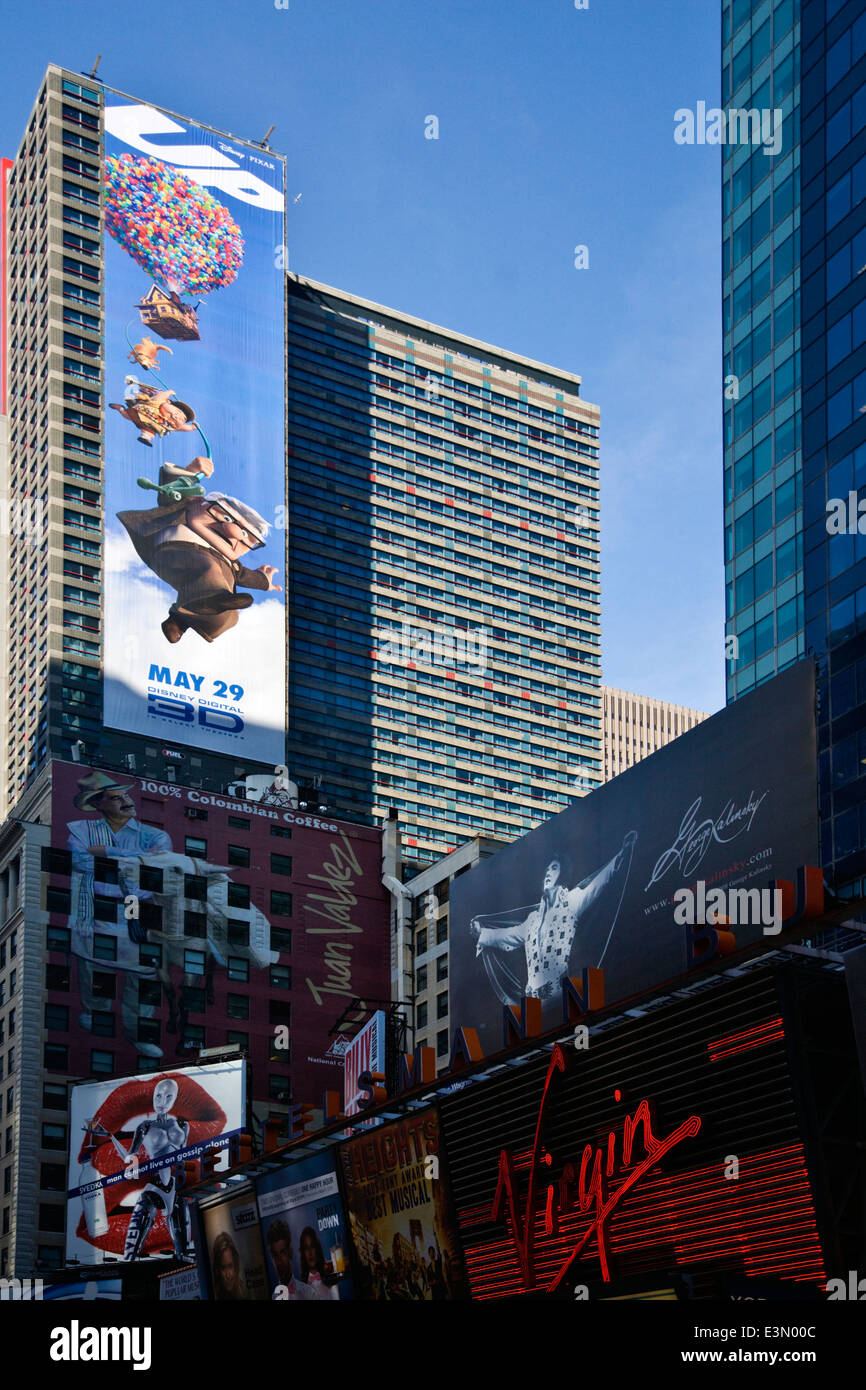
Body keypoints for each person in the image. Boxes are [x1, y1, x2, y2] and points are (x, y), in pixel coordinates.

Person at [117, 457, 281, 644]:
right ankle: (212, 597)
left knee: (230, 616)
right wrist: (190, 473)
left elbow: (244, 575)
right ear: (199, 503)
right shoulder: (187, 509)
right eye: (227, 518)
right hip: (178, 552)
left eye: (246, 536)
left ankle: (178, 621)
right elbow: (173, 492)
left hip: (209, 582)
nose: (233, 533)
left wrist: (263, 581)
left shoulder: (232, 563)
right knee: (209, 570)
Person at [67, 770, 171, 1057]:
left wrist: (106, 853)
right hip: (97, 908)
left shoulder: (155, 834)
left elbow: (157, 865)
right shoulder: (81, 830)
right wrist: (129, 858)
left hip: (141, 912)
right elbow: (82, 862)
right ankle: (95, 1014)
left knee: (146, 974)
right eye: (116, 797)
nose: (126, 801)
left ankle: (138, 1032)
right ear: (98, 803)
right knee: (95, 965)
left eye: (125, 794)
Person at [470, 832, 638, 1004]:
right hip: (531, 1003)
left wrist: (622, 854)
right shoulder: (532, 919)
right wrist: (482, 932)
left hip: (559, 995)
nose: (548, 873)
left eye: (554, 868)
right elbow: (508, 935)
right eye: (547, 869)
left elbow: (596, 885)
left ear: (563, 873)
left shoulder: (571, 902)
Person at [85, 1077, 190, 1260]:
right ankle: (129, 1260)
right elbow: (130, 1156)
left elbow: (184, 1154)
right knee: (136, 1231)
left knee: (182, 1249)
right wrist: (114, 1141)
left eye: (168, 1097)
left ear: (174, 1099)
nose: (162, 1102)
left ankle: (182, 1259)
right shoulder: (145, 1127)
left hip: (176, 1184)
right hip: (155, 1183)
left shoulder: (183, 1125)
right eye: (158, 1096)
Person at [110, 381, 198, 446]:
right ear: (169, 403)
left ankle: (144, 437)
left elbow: (182, 427)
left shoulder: (171, 425)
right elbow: (160, 398)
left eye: (183, 419)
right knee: (127, 415)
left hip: (151, 427)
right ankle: (121, 409)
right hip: (142, 413)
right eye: (178, 412)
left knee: (150, 433)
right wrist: (168, 393)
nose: (177, 416)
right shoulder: (159, 404)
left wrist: (191, 427)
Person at [266, 1218, 317, 1301]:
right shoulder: (274, 1298)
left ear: (290, 1252)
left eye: (283, 1253)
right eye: (275, 1255)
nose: (279, 1261)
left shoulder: (309, 1293)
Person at [298, 1226, 337, 1301]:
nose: (310, 1252)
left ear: (317, 1249)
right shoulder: (301, 1289)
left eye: (312, 1246)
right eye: (306, 1248)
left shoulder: (330, 1277)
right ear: (303, 1253)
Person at [212, 1231, 246, 1301]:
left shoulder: (244, 1292)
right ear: (217, 1270)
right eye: (223, 1268)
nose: (228, 1275)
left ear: (236, 1265)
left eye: (230, 1266)